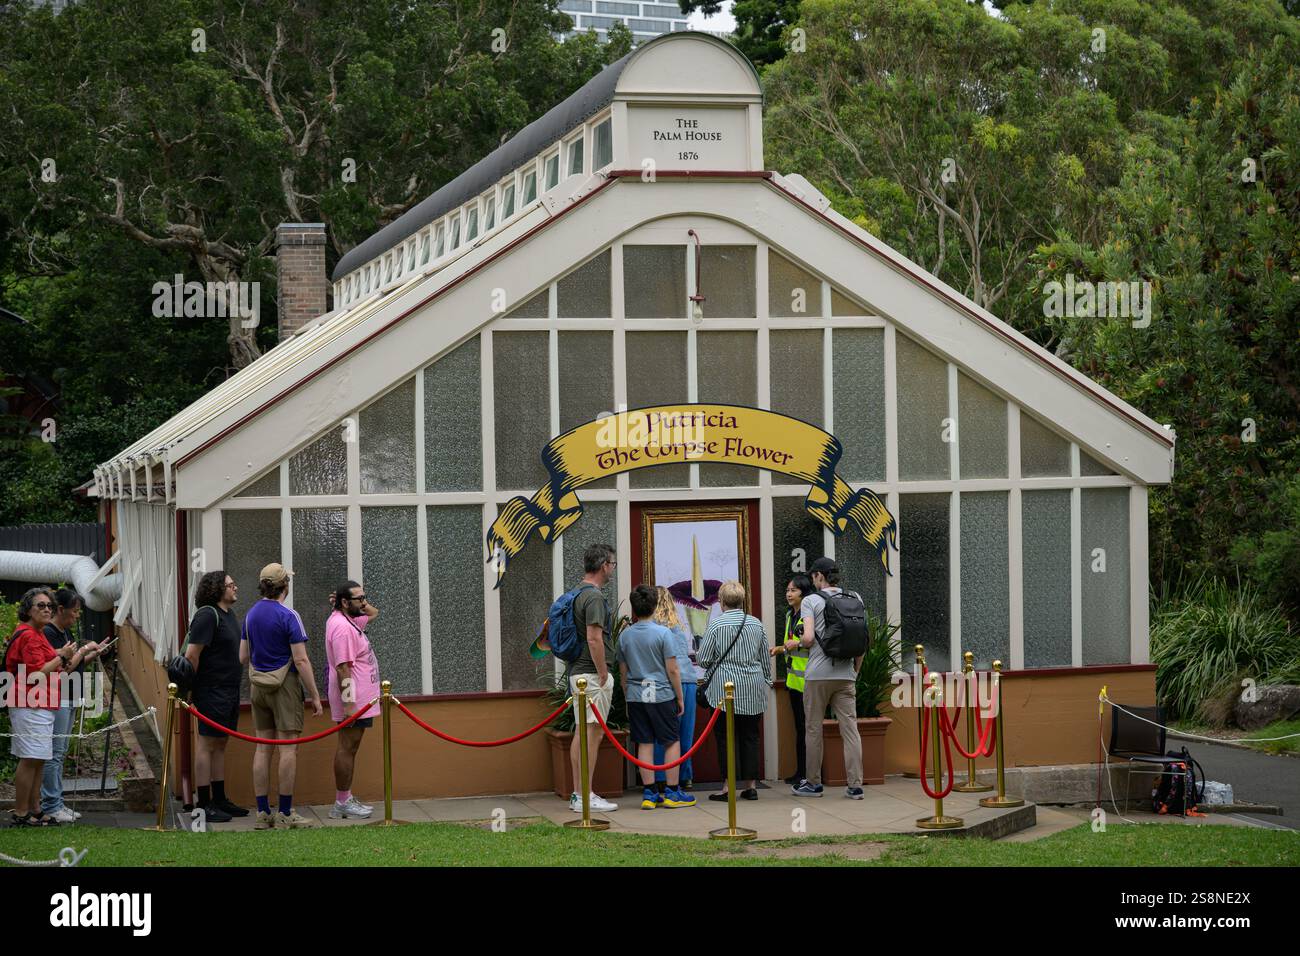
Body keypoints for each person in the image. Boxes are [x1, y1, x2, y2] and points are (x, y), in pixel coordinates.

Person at [4, 588, 100, 826]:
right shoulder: (27, 635)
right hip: (29, 703)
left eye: (49, 605)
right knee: (30, 758)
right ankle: (21, 811)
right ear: (27, 610)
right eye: (40, 606)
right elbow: (35, 674)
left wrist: (62, 655)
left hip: (42, 703)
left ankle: (36, 809)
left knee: (39, 758)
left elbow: (49, 662)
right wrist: (63, 655)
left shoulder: (36, 634)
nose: (47, 609)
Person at [240, 562, 323, 829]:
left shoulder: (251, 615)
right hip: (284, 685)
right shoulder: (289, 616)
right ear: (284, 586)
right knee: (288, 749)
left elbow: (242, 656)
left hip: (258, 686)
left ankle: (263, 813)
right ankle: (286, 813)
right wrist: (315, 696)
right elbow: (301, 660)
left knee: (263, 747)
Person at [792, 557, 865, 799]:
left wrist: (799, 638)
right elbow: (862, 641)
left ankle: (813, 783)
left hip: (817, 676)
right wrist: (855, 670)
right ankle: (855, 785)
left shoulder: (811, 601)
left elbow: (810, 639)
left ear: (819, 576)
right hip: (846, 674)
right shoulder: (855, 598)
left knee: (813, 729)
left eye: (813, 576)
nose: (812, 581)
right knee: (850, 730)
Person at [618, 584, 695, 810]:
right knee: (671, 740)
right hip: (661, 693)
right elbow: (673, 669)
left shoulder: (625, 635)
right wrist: (679, 698)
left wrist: (626, 694)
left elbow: (623, 671)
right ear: (653, 606)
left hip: (635, 694)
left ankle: (649, 793)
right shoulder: (663, 633)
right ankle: (672, 791)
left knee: (644, 742)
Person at [183, 570, 247, 823]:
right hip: (210, 690)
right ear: (217, 589)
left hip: (229, 690)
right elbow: (192, 655)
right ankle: (204, 803)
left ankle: (220, 798)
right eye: (231, 585)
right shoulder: (207, 616)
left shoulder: (229, 615)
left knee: (221, 743)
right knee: (206, 744)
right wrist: (189, 691)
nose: (235, 588)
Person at [697, 580, 770, 801]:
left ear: (721, 602)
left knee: (725, 738)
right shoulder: (756, 624)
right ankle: (751, 786)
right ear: (742, 600)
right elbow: (765, 657)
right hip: (753, 688)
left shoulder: (717, 625)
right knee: (750, 736)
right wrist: (765, 680)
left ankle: (728, 788)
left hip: (723, 690)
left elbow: (703, 659)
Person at [566, 543, 619, 813]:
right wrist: (603, 672)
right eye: (613, 564)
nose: (613, 569)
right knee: (592, 734)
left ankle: (579, 794)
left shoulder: (577, 593)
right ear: (603, 566)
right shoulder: (595, 598)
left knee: (582, 732)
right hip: (591, 674)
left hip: (578, 672)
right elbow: (594, 637)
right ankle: (584, 795)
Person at [325, 581, 380, 820]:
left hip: (362, 701)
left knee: (352, 747)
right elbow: (343, 669)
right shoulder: (342, 627)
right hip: (353, 702)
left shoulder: (350, 618)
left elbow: (373, 613)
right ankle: (342, 802)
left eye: (364, 597)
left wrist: (359, 601)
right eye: (358, 599)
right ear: (345, 603)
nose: (364, 602)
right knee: (347, 748)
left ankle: (345, 799)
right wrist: (349, 706)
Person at [40, 589, 86, 823]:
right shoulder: (49, 633)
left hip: (71, 695)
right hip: (59, 696)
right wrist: (82, 651)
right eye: (74, 611)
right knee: (54, 753)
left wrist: (88, 653)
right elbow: (64, 669)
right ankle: (50, 805)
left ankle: (56, 802)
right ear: (61, 609)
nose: (77, 616)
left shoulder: (63, 631)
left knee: (60, 751)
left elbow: (71, 661)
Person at [652, 586, 698, 793]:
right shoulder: (679, 624)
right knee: (685, 733)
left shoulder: (651, 626)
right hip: (688, 679)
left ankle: (661, 776)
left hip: (665, 681)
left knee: (662, 733)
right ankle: (685, 776)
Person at [770, 574, 814, 785]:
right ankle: (800, 771)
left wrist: (795, 644)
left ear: (803, 593)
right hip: (793, 682)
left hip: (809, 682)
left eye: (793, 590)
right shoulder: (790, 615)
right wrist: (779, 649)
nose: (789, 594)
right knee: (799, 728)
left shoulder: (809, 615)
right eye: (787, 590)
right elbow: (790, 644)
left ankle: (808, 774)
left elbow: (810, 641)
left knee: (808, 729)